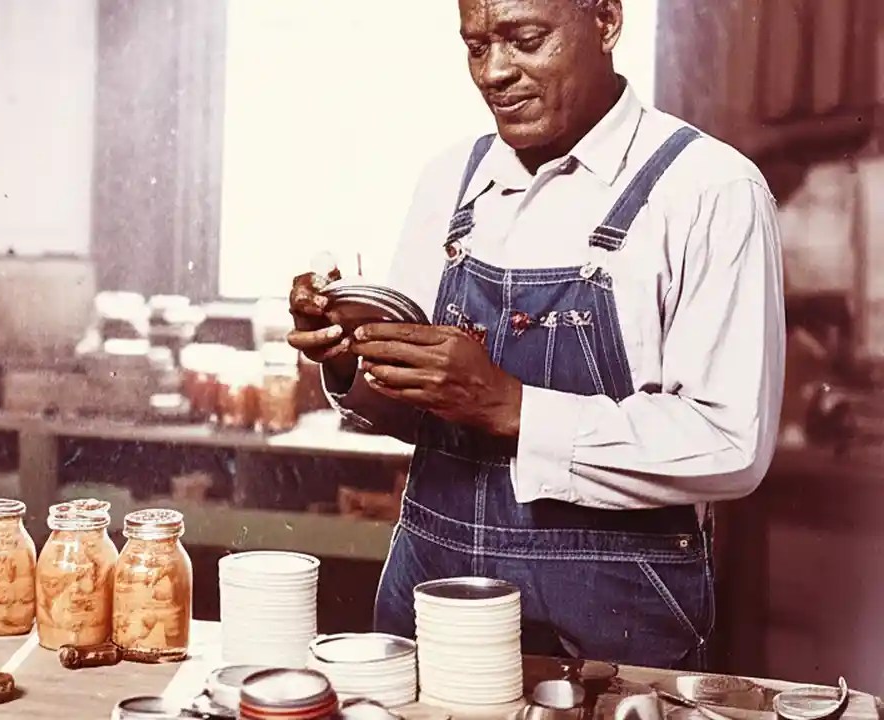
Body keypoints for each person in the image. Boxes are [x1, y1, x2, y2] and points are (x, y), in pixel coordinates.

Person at [287, 0, 784, 670]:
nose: (494, 71)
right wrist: (350, 358)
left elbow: (731, 445)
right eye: (475, 46)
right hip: (431, 591)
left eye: (525, 39)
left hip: (614, 613)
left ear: (606, 20)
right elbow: (417, 414)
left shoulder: (709, 190)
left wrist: (513, 407)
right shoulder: (450, 181)